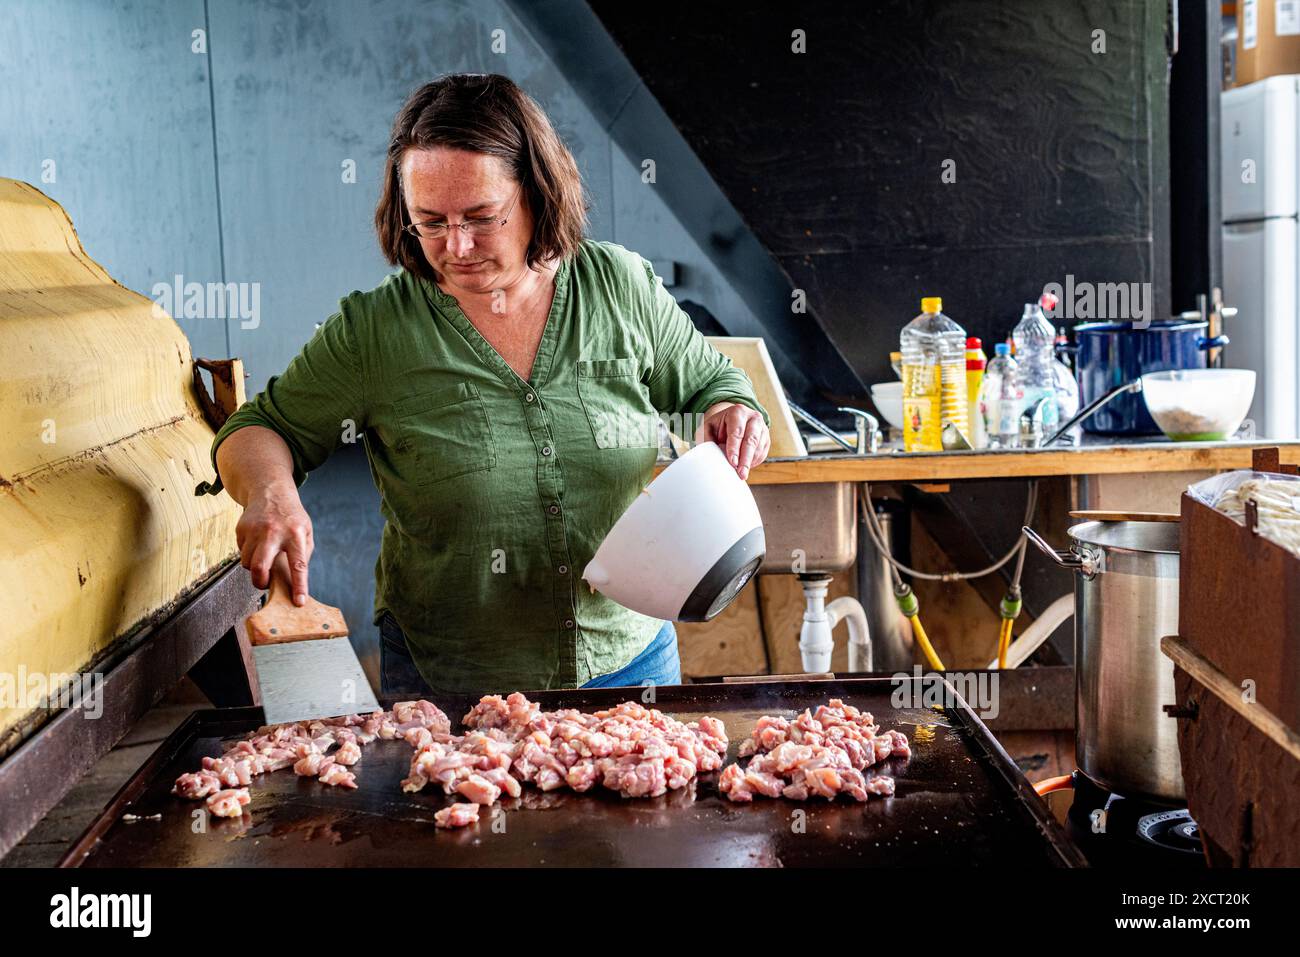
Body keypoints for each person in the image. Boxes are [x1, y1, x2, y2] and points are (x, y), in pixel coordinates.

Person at [203, 73, 770, 698]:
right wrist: (270, 490)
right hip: (452, 681)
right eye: (430, 222)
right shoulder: (376, 331)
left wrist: (730, 409)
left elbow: (710, 384)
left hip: (628, 661)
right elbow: (259, 429)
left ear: (535, 193)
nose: (458, 246)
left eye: (481, 217)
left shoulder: (618, 287)